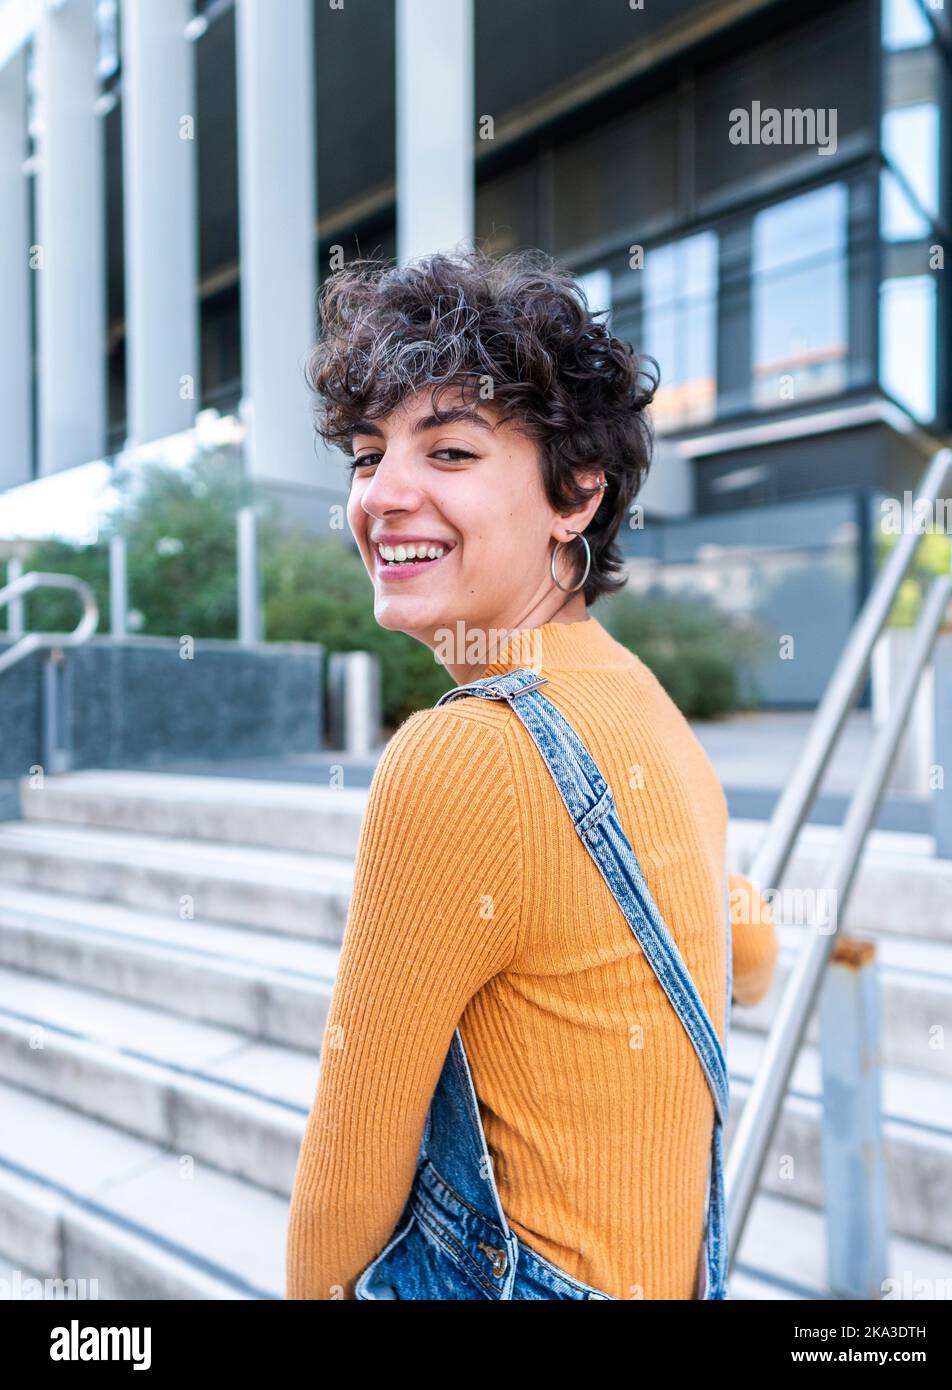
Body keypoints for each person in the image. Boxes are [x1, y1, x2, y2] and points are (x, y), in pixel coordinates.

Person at [285, 246, 778, 1301]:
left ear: (576, 495)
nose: (384, 496)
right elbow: (751, 950)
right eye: (369, 456)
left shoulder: (464, 755)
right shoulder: (641, 702)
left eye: (450, 451)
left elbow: (347, 1170)